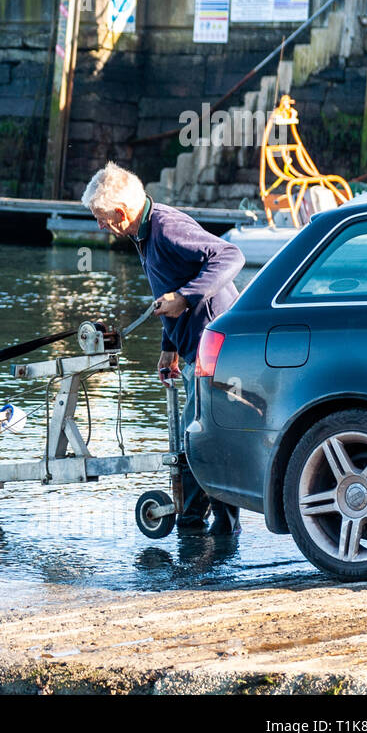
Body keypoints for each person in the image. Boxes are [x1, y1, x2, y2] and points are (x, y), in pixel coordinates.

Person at [81, 161, 245, 536]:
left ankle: (213, 527)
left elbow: (230, 256)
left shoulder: (167, 228)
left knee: (199, 435)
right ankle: (196, 522)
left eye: (102, 218)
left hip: (215, 349)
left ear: (121, 212)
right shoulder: (142, 233)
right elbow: (168, 288)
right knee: (197, 434)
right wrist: (168, 347)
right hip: (191, 349)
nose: (100, 226)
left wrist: (186, 299)